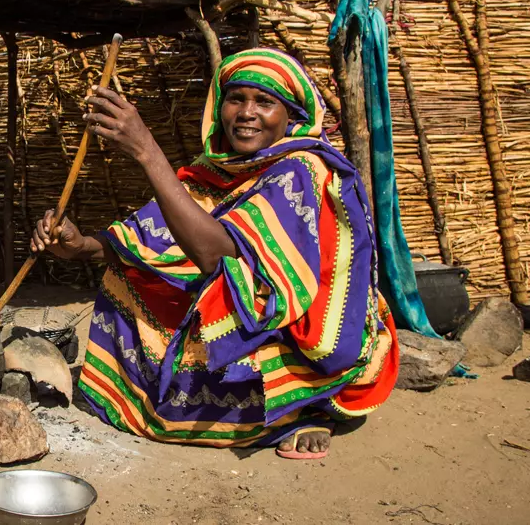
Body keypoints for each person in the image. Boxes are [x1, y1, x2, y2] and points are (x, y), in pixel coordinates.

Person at [31, 48, 398, 458]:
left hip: (302, 334)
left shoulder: (303, 170)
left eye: (265, 102)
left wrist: (146, 151)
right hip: (250, 309)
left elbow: (217, 259)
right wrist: (80, 245)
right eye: (236, 99)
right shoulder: (218, 170)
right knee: (124, 280)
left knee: (216, 323)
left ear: (291, 115)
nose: (246, 112)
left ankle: (303, 409)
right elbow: (151, 237)